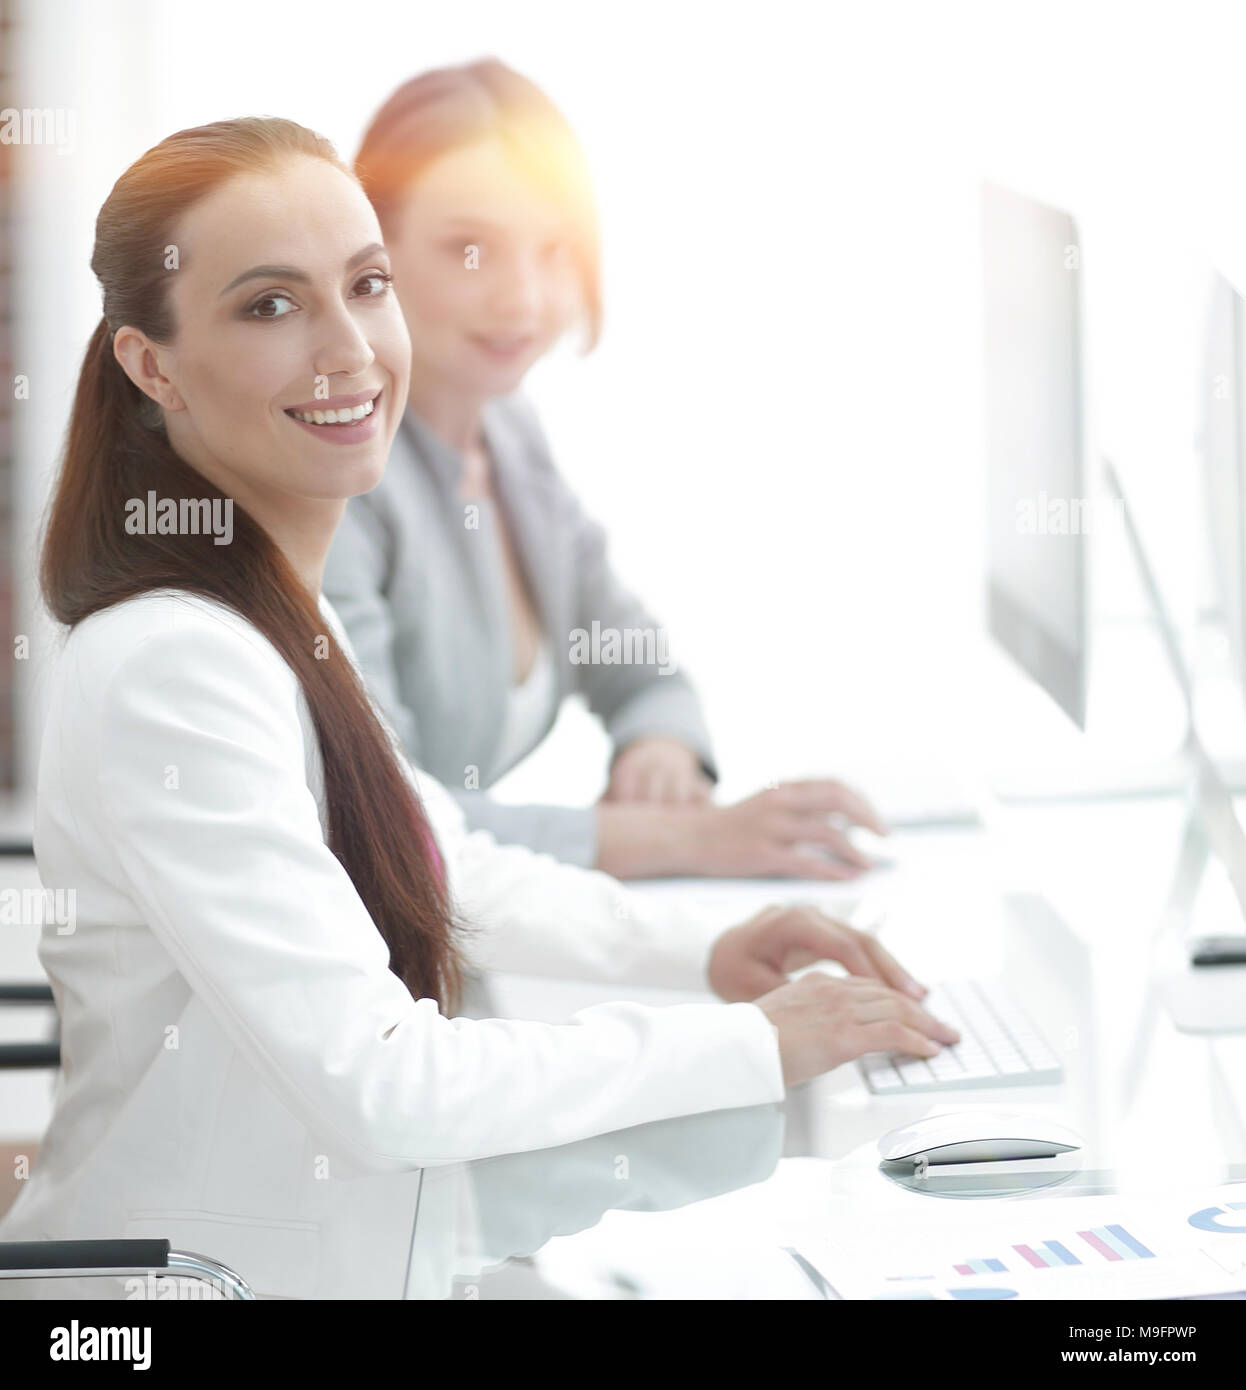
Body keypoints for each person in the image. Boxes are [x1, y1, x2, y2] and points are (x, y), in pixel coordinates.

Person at [0, 117, 955, 1301]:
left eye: (368, 284)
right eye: (269, 307)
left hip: (354, 1242)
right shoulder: (173, 667)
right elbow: (387, 1081)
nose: (347, 348)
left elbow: (440, 868)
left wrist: (708, 951)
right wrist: (756, 1042)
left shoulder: (268, 605)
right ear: (153, 366)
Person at [323, 59, 888, 879]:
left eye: (554, 249)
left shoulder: (509, 435)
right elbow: (390, 822)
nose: (523, 299)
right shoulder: (338, 483)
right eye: (470, 249)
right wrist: (688, 841)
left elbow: (642, 667)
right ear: (373, 253)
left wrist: (662, 745)